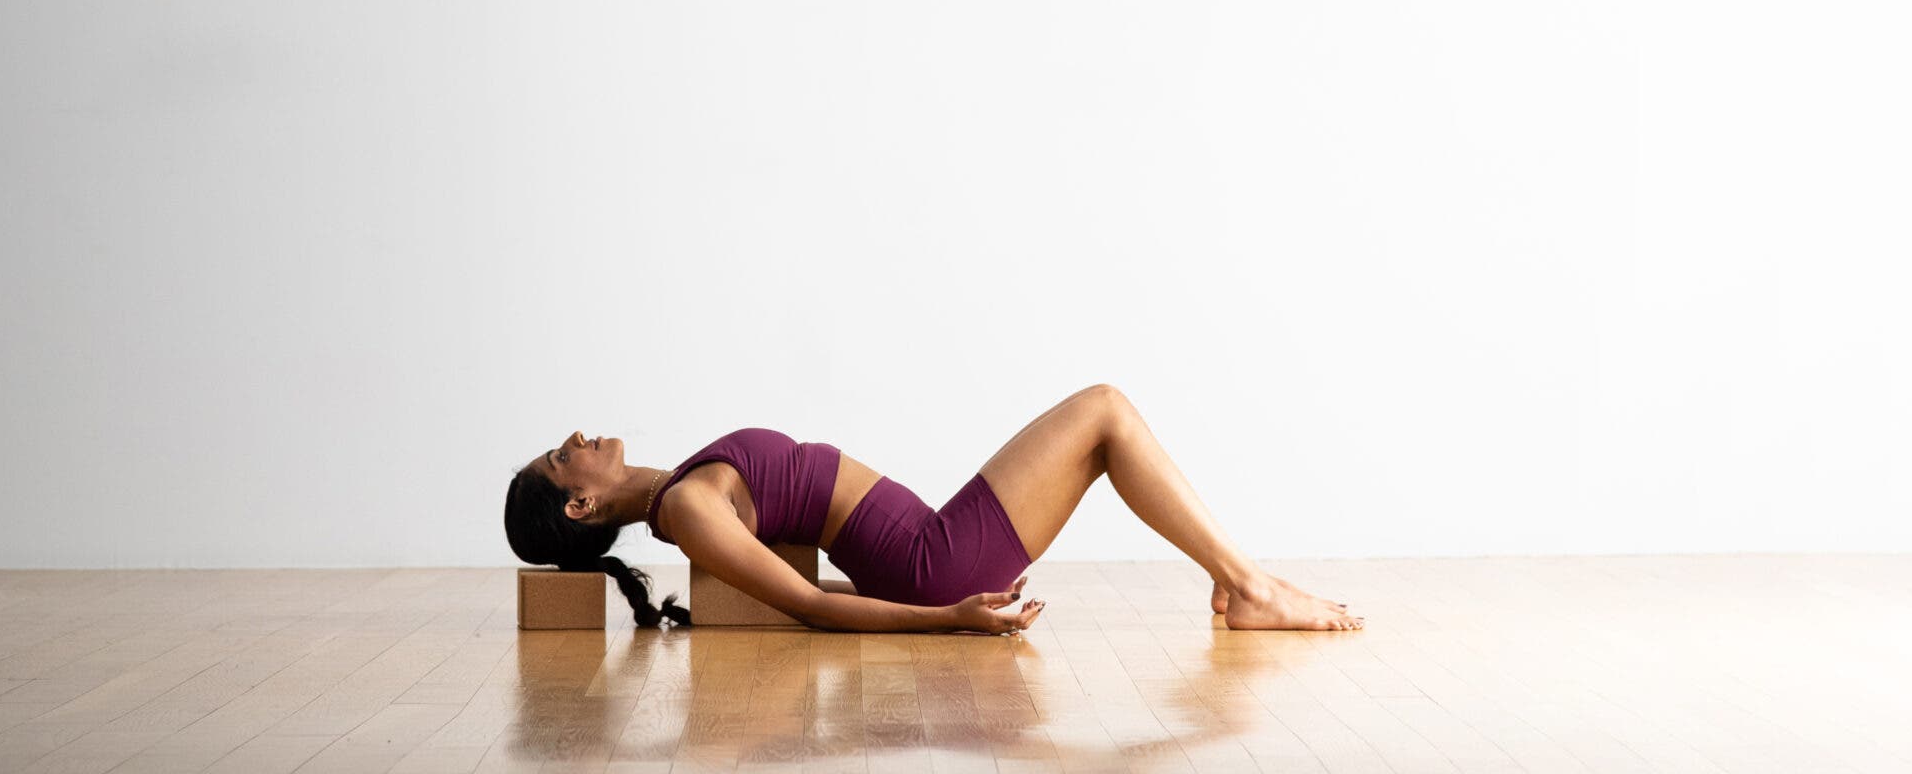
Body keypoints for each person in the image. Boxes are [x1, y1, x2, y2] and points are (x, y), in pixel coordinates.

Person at [501, 383, 1361, 634]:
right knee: (1104, 411)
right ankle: (1246, 587)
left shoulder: (685, 489)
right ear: (579, 503)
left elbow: (812, 593)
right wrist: (947, 618)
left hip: (932, 551)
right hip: (933, 563)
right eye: (559, 453)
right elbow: (805, 604)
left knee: (1104, 416)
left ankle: (1240, 583)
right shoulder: (688, 506)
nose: (576, 435)